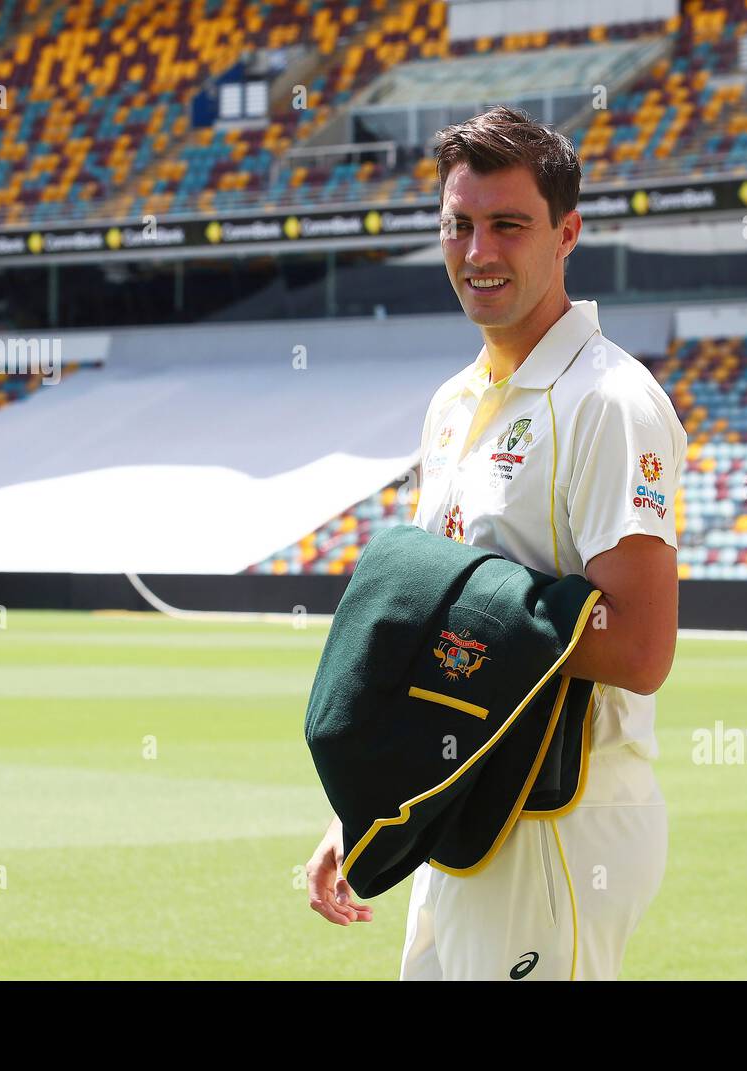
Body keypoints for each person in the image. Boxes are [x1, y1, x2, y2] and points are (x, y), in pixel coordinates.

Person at [306, 105, 687, 980]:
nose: (479, 251)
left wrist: (486, 625)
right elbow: (431, 628)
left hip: (563, 816)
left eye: (508, 225)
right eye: (460, 225)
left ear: (567, 234)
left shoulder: (610, 402)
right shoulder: (453, 401)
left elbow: (638, 645)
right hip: (468, 801)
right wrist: (368, 805)